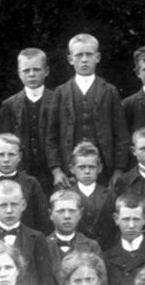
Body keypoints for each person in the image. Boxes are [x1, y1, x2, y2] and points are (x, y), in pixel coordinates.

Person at [46, 33, 128, 189]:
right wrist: (56, 170)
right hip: (68, 170)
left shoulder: (110, 92)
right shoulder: (61, 93)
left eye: (89, 54)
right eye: (79, 55)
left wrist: (118, 170)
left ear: (97, 57)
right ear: (70, 59)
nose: (84, 59)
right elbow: (52, 136)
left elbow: (121, 135)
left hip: (104, 170)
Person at [0, 133, 50, 237]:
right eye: (1, 155)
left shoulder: (31, 183)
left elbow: (43, 222)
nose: (6, 160)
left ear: (19, 156)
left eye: (11, 154)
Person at [0, 48, 54, 192]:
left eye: (36, 70)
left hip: (51, 172)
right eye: (26, 71)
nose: (31, 74)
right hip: (22, 171)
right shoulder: (9, 104)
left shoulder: (57, 100)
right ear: (19, 74)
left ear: (46, 71)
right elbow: (5, 141)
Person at [46, 188, 103, 285]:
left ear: (80, 214)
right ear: (50, 214)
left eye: (72, 211)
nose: (67, 216)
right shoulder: (43, 245)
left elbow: (101, 284)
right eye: (61, 211)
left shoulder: (92, 246)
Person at [70, 141, 115, 249]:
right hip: (75, 250)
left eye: (91, 167)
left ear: (99, 168)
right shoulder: (67, 196)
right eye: (81, 167)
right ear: (72, 169)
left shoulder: (110, 195)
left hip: (105, 250)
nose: (87, 171)